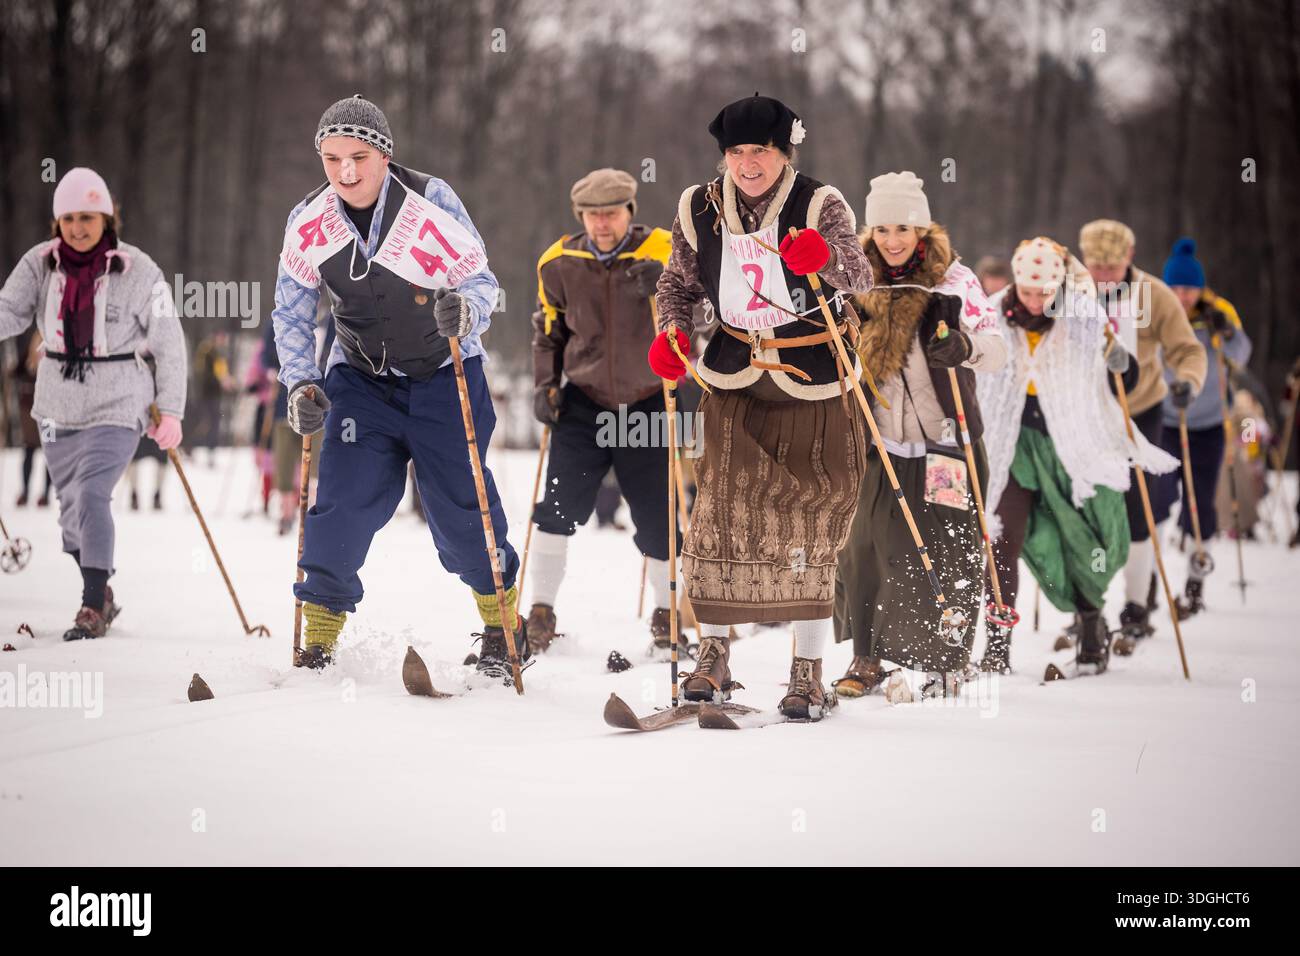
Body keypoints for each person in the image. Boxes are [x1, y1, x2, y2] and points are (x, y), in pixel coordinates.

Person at [271, 94, 524, 680]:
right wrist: (302, 383)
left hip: (444, 374)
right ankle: (319, 641)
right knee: (340, 506)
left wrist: (466, 312)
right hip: (361, 381)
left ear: (384, 154)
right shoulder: (309, 220)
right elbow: (290, 311)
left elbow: (480, 281)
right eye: (332, 159)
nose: (346, 173)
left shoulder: (429, 202)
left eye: (358, 156)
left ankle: (501, 627)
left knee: (463, 516)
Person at [651, 94, 874, 721]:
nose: (749, 164)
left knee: (808, 519)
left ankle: (806, 673)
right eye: (738, 152)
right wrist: (672, 333)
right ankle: (713, 656)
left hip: (813, 373)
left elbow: (863, 276)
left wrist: (824, 259)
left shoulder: (820, 202)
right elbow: (679, 284)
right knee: (719, 513)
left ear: (786, 153)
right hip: (732, 371)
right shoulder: (700, 206)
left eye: (763, 152)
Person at [833, 172, 1007, 696]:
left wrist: (964, 346)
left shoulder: (954, 282)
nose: (892, 240)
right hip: (879, 443)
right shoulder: (856, 282)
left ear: (922, 229)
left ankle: (945, 659)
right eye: (882, 228)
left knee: (948, 548)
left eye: (903, 228)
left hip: (945, 442)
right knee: (862, 545)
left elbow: (998, 350)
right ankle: (866, 657)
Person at [973, 237, 1177, 675]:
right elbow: (973, 365)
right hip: (1011, 442)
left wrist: (1122, 362)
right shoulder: (991, 311)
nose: (1034, 300)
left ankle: (1089, 623)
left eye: (1044, 292)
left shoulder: (1082, 315)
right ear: (1015, 283)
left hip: (1070, 442)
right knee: (1002, 539)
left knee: (1080, 536)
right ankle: (996, 644)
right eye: (1027, 291)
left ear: (1059, 285)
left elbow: (1124, 372)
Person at [0, 167, 186, 639]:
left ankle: (90, 606)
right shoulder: (39, 264)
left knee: (91, 494)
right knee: (70, 509)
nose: (79, 227)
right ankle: (100, 589)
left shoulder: (139, 270)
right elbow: (10, 311)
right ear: (56, 223)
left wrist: (173, 408)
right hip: (57, 404)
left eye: (89, 216)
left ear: (108, 218)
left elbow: (169, 341)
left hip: (120, 400)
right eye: (69, 218)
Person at [526, 168, 682, 653]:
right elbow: (547, 328)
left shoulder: (663, 249)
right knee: (556, 510)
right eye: (592, 216)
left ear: (629, 212)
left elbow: (702, 317)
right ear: (581, 218)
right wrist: (545, 384)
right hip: (585, 404)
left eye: (610, 214)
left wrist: (666, 287)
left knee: (659, 517)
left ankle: (667, 612)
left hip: (647, 400)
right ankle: (542, 610)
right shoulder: (558, 261)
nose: (601, 224)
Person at [1078, 219, 1206, 647]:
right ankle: (1087, 607)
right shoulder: (1071, 292)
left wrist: (1187, 380)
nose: (1101, 276)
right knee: (1086, 509)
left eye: (1110, 268)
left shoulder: (1153, 295)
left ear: (1129, 259)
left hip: (1141, 413)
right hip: (1085, 414)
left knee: (1139, 508)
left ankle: (1136, 605)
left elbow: (1187, 348)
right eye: (1094, 266)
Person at [1157, 238, 1252, 615]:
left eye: (1189, 288)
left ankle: (1196, 582)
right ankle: (1150, 580)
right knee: (1159, 497)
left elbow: (1241, 356)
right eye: (1176, 288)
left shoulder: (1217, 311)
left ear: (1200, 287)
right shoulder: (1157, 309)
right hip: (1164, 420)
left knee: (1200, 503)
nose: (1182, 296)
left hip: (1209, 422)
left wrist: (1227, 332)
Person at [10, 327, 52, 506]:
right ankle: (26, 491)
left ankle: (46, 494)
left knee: (50, 452)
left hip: (51, 413)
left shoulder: (54, 349)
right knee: (29, 450)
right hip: (30, 409)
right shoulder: (27, 349)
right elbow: (17, 371)